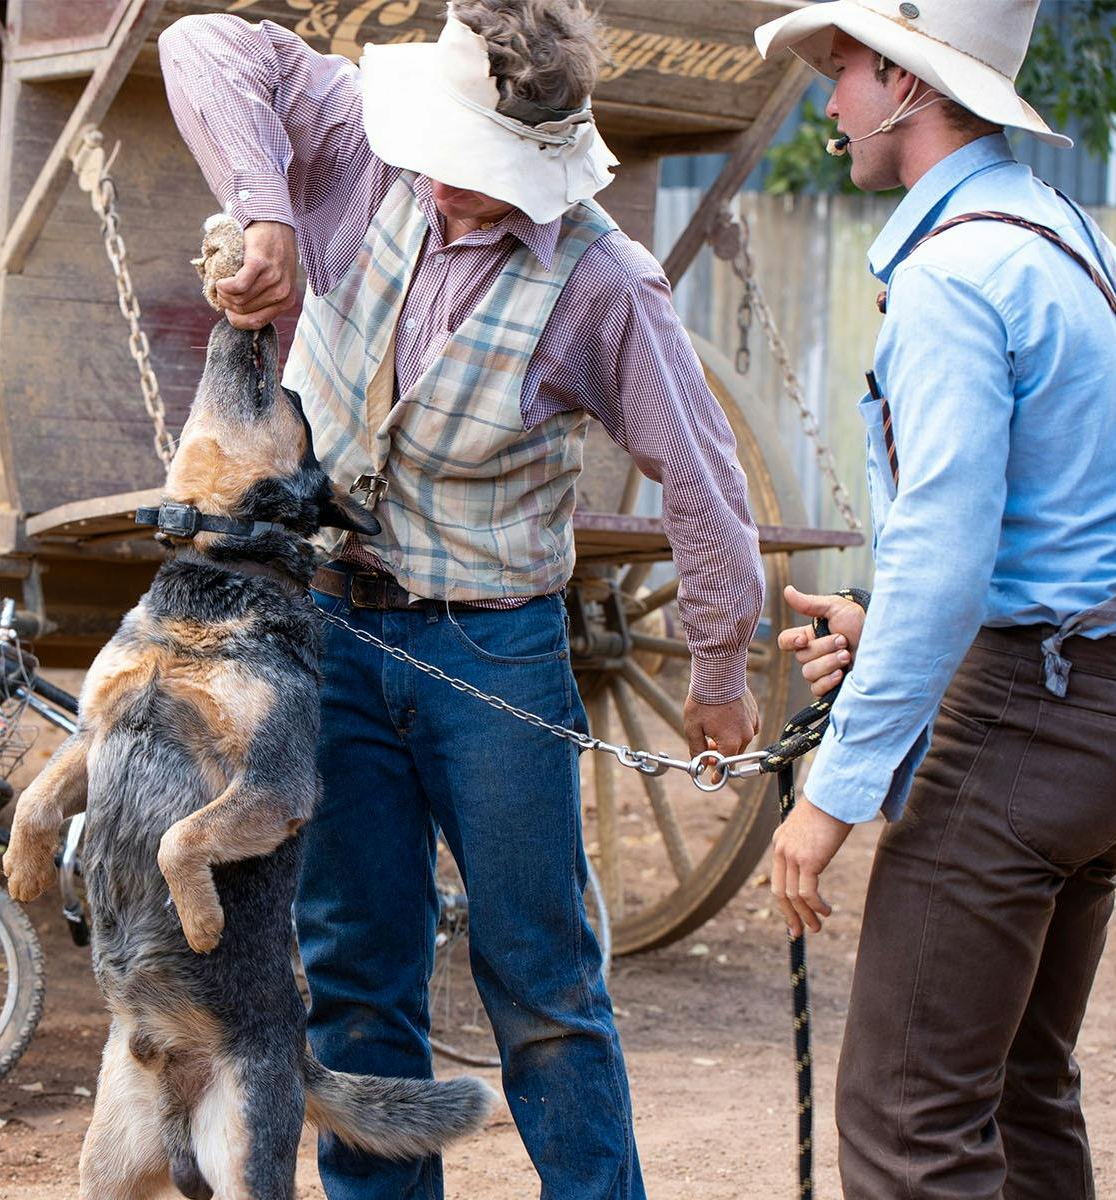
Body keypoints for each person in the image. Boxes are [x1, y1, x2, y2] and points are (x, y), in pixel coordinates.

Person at [160, 2, 766, 1195]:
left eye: (478, 172)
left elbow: (704, 481)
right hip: (330, 636)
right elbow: (200, 43)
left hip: (494, 655)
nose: (444, 186)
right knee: (353, 971)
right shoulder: (364, 151)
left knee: (542, 984)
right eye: (442, 155)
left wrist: (720, 670)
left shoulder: (605, 286)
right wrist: (268, 210)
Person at [753, 3, 1116, 1197]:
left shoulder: (953, 272)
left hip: (1031, 729)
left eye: (843, 69)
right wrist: (893, 634)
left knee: (907, 1122)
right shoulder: (1065, 236)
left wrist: (831, 796)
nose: (829, 100)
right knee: (1017, 1088)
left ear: (905, 85)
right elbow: (1060, 525)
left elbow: (944, 557)